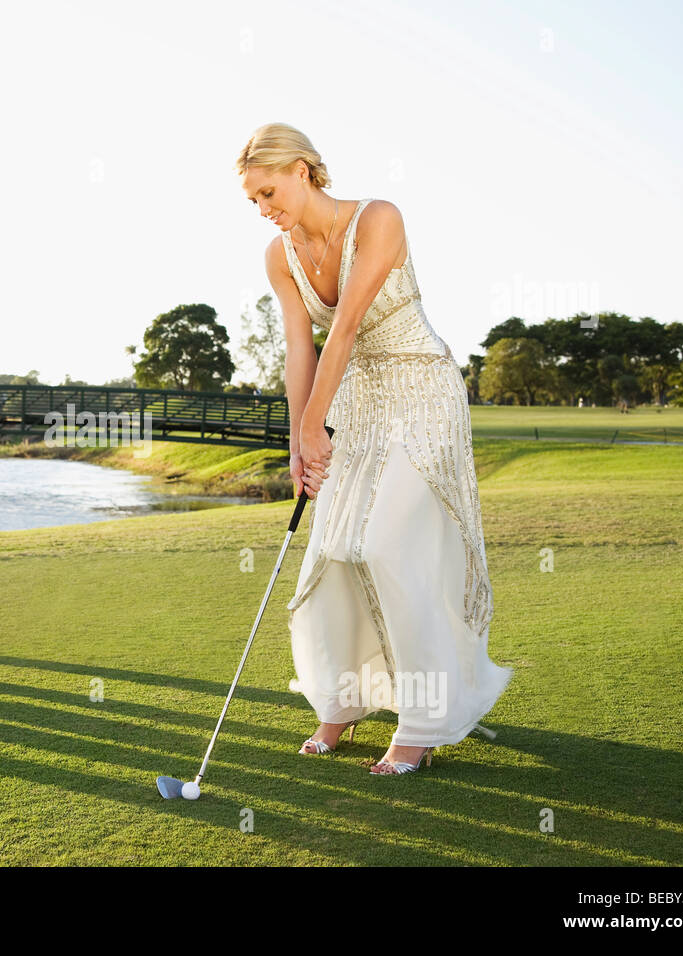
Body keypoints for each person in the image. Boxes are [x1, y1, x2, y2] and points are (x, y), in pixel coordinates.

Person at [237, 123, 512, 774]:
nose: (264, 209)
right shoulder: (280, 255)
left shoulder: (379, 218)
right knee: (332, 547)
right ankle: (342, 702)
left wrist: (314, 426)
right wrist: (298, 440)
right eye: (252, 201)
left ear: (303, 171)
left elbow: (349, 324)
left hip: (422, 389)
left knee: (387, 543)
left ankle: (420, 723)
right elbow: (300, 349)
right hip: (358, 396)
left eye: (269, 192)